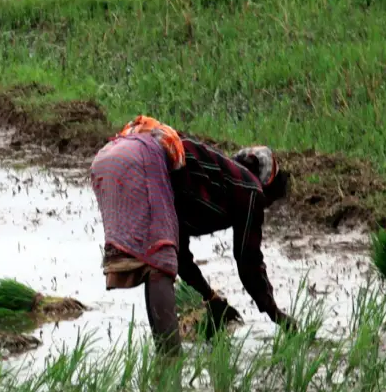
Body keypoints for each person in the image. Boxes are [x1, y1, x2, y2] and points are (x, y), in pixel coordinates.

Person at [89, 116, 293, 354]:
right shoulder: (250, 190)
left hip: (107, 159)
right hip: (144, 160)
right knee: (158, 266)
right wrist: (275, 314)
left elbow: (180, 257)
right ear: (267, 188)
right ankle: (170, 360)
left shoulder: (198, 184)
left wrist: (210, 297)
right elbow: (248, 262)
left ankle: (164, 358)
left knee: (154, 261)